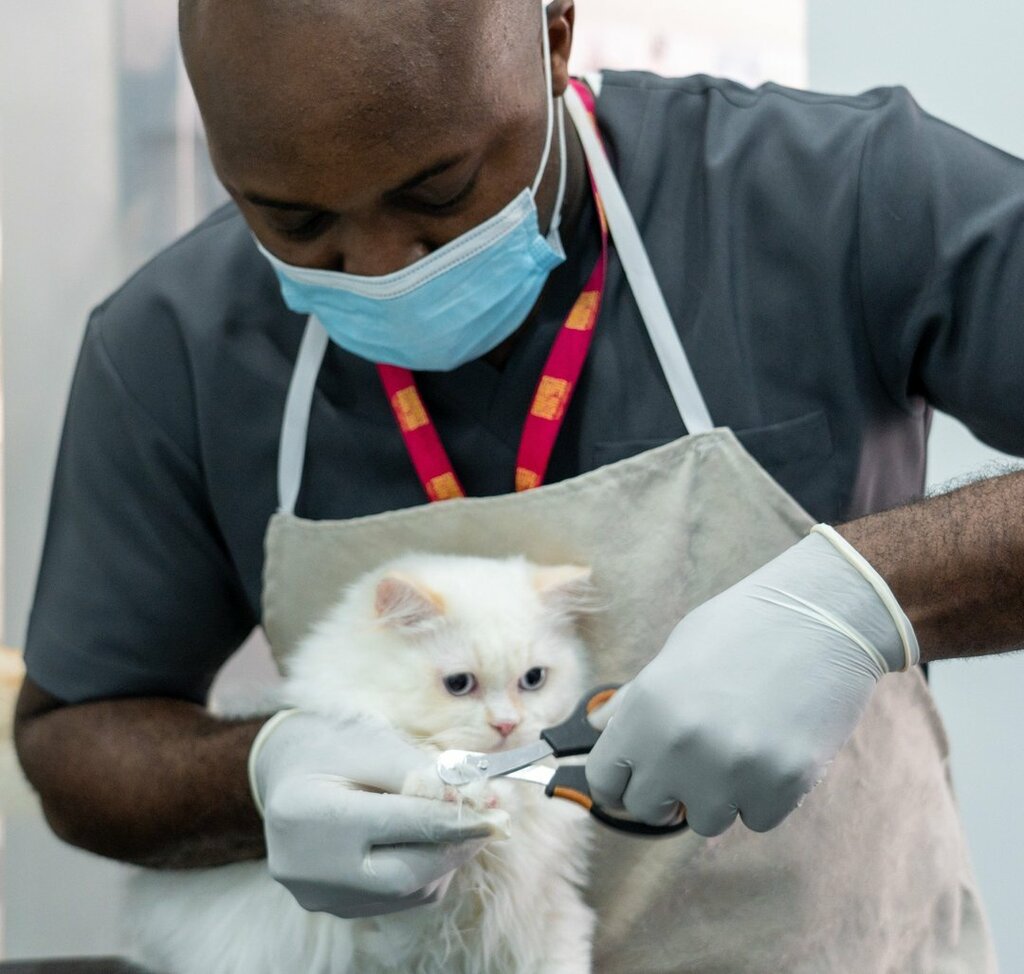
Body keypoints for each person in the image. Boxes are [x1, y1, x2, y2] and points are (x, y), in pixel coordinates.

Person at [13, 0, 1024, 969]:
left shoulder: (829, 195)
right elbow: (77, 737)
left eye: (438, 191)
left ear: (555, 32)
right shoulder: (171, 346)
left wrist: (857, 597)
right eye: (295, 220)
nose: (379, 263)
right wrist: (259, 772)